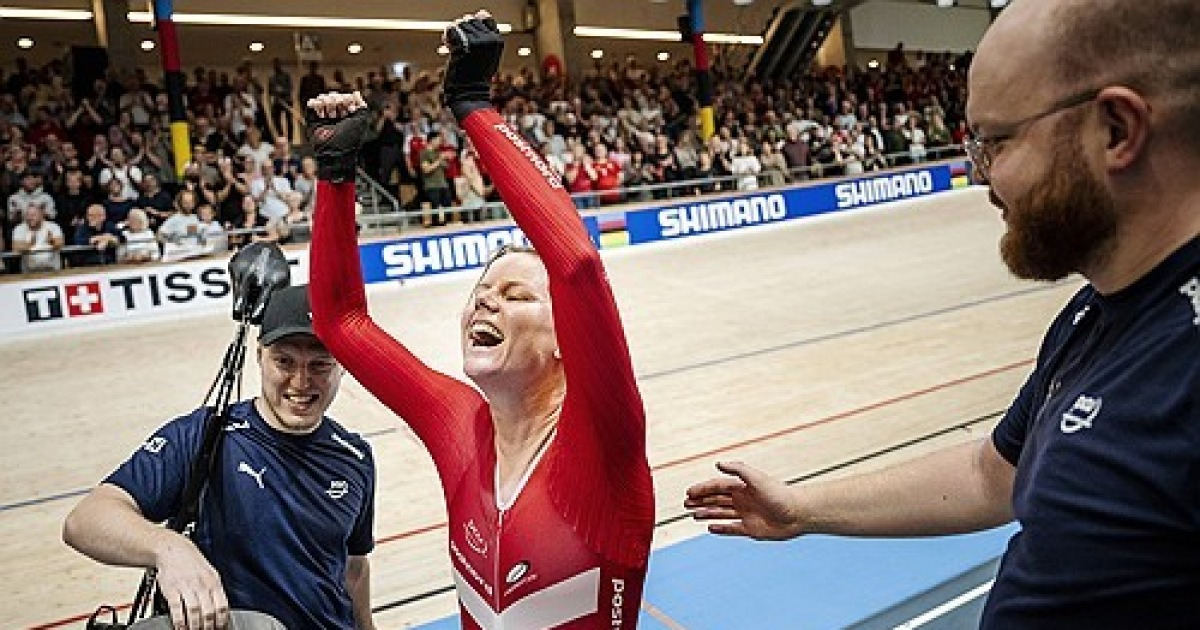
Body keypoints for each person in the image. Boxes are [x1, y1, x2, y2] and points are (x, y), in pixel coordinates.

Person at [685, 0, 1200, 627]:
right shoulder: (1096, 313)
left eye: (995, 142)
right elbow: (998, 470)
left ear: (1115, 130)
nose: (978, 175)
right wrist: (804, 507)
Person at [306, 11, 653, 628]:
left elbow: (574, 264)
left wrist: (473, 106)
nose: (485, 301)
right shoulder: (460, 430)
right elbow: (340, 322)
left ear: (566, 342)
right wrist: (335, 178)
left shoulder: (602, 442)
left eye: (516, 294)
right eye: (481, 290)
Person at [62, 285, 377, 630]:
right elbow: (85, 520)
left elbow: (353, 566)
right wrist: (168, 548)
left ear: (343, 368)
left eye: (319, 365)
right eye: (284, 361)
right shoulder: (205, 436)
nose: (300, 382)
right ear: (259, 356)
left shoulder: (355, 456)